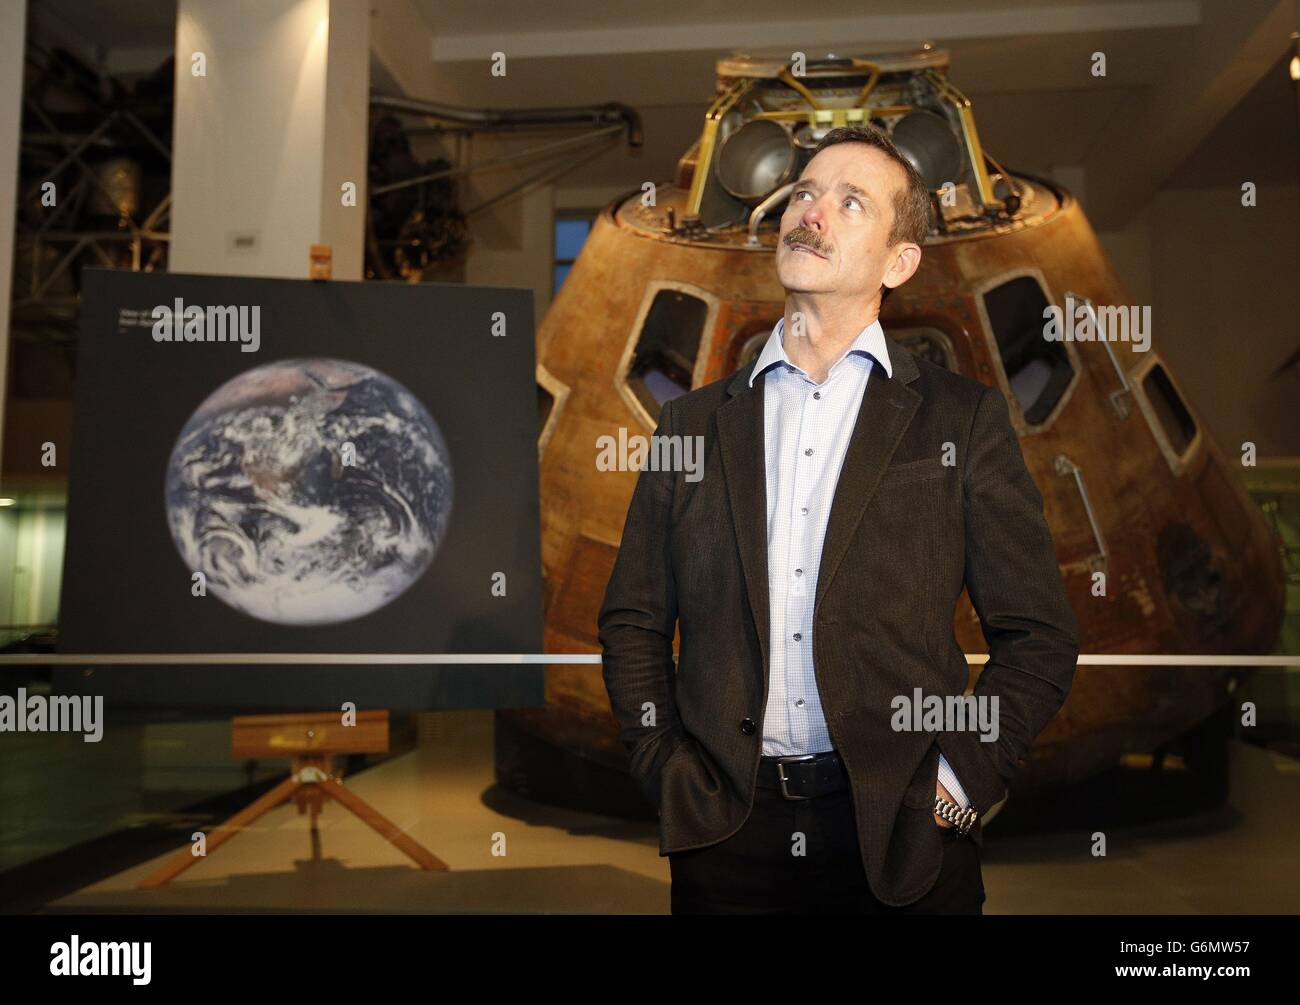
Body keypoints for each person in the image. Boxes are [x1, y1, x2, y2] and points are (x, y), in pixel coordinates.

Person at [598, 123, 1080, 914]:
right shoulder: (691, 425)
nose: (811, 212)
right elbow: (632, 620)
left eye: (850, 201)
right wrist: (665, 772)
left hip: (903, 838)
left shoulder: (961, 422)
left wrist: (959, 785)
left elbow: (1039, 636)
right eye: (806, 193)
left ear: (899, 262)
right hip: (726, 836)